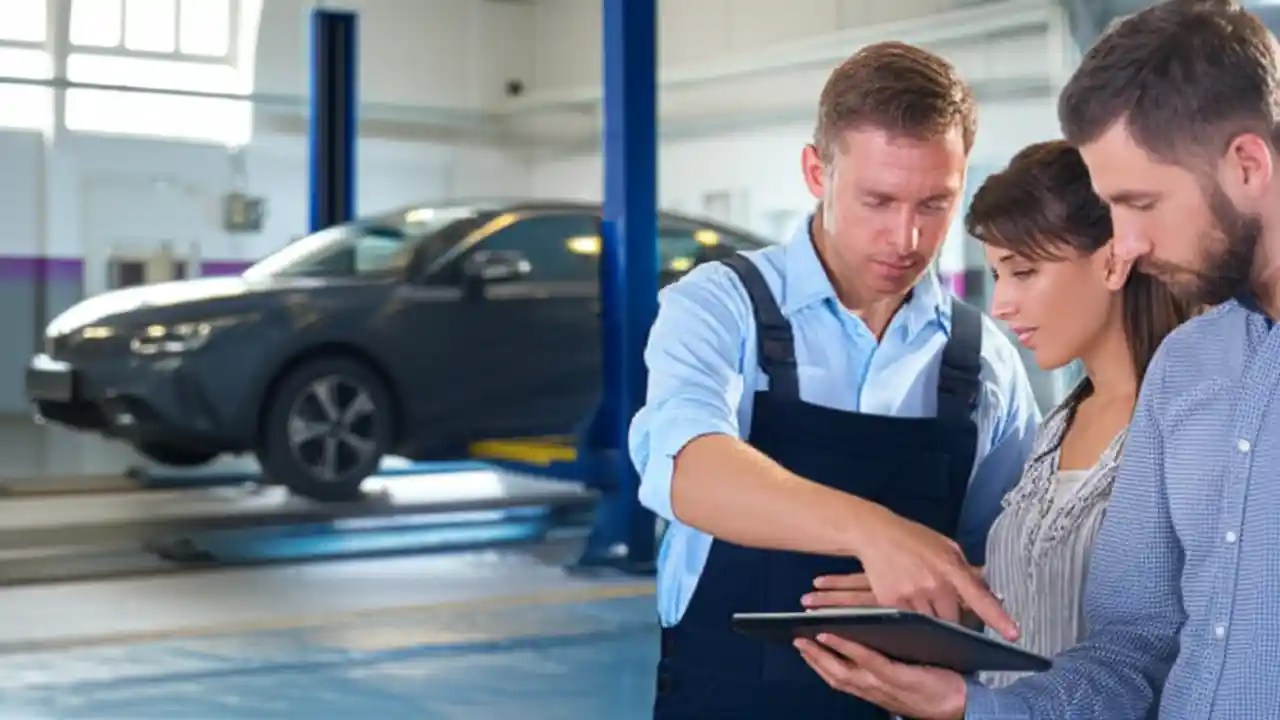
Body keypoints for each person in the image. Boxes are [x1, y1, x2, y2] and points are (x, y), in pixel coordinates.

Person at [784, 1, 1280, 717]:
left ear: (1247, 163)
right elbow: (1130, 648)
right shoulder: (1188, 370)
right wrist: (968, 702)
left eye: (1141, 202)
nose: (1127, 245)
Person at [628, 41, 1042, 719]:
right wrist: (873, 532)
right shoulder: (718, 307)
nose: (905, 237)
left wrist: (967, 591)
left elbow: (1009, 561)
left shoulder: (985, 362)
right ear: (816, 170)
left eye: (934, 204)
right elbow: (686, 469)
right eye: (877, 200)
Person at [797, 139, 1196, 696]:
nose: (1001, 305)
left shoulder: (1188, 431)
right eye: (997, 276)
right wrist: (937, 609)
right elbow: (1048, 598)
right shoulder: (1058, 424)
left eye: (1024, 272)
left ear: (1113, 257)